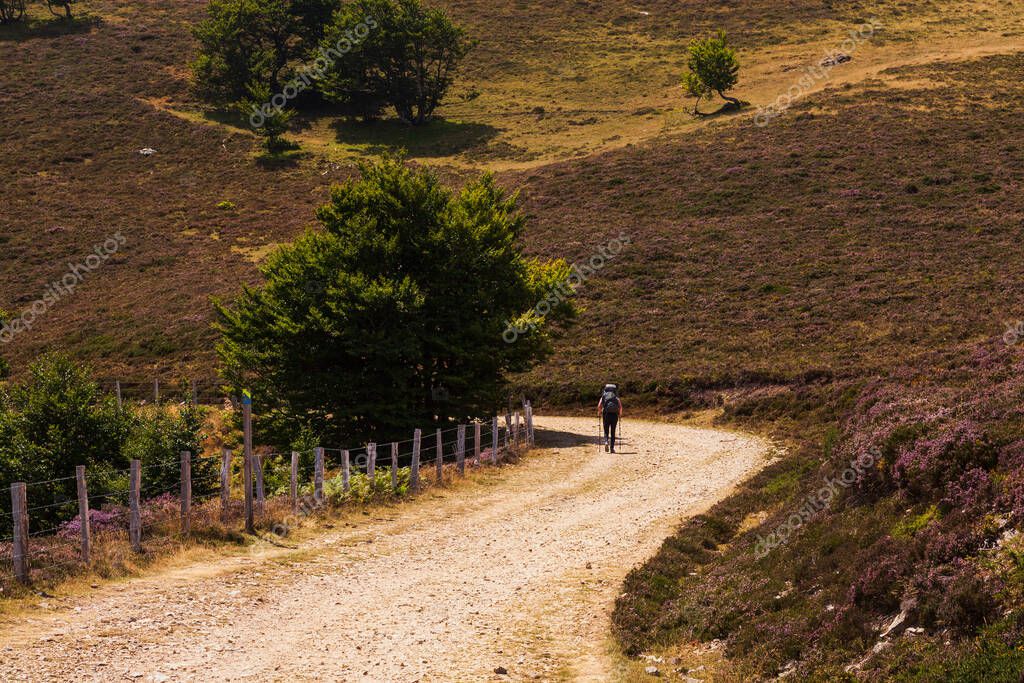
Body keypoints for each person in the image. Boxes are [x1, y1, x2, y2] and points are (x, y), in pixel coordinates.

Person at [597, 383, 623, 453]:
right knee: (613, 431)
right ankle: (612, 448)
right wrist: (620, 415)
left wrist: (599, 413)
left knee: (606, 430)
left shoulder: (604, 396)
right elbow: (620, 407)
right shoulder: (616, 397)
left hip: (606, 414)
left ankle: (606, 442)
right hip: (614, 415)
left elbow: (599, 406)